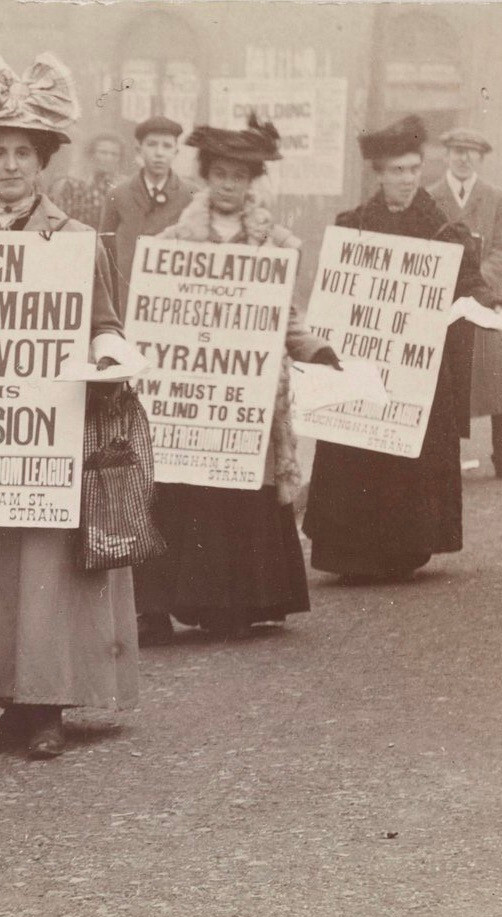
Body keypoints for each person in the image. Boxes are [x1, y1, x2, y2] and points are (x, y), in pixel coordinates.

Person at [0, 48, 144, 759]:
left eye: (23, 152)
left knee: (45, 568)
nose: (10, 165)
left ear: (43, 161)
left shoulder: (78, 243)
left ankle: (46, 703)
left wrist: (110, 354)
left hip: (51, 430)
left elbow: (104, 321)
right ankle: (2, 700)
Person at [131, 117, 341, 646]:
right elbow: (152, 313)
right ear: (205, 177)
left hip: (247, 401)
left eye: (239, 176)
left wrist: (314, 348)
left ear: (252, 183)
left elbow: (287, 319)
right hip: (190, 399)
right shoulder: (172, 241)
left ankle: (232, 605)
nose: (228, 184)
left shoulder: (276, 245)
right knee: (181, 496)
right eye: (219, 174)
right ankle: (162, 604)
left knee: (237, 499)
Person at [304, 116, 494, 581]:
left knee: (409, 456)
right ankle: (352, 550)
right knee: (359, 453)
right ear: (379, 174)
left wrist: (464, 306)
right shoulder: (352, 225)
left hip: (419, 369)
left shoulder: (445, 231)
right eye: (396, 171)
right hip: (366, 364)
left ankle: (407, 546)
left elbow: (473, 288)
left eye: (413, 169)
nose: (406, 179)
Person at [429, 127, 502, 474]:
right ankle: (443, 460)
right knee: (442, 380)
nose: (463, 158)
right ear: (446, 155)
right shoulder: (430, 197)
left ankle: (500, 454)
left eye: (470, 152)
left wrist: (480, 283)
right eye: (457, 150)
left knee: (497, 376)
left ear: (480, 159)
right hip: (443, 300)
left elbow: (501, 248)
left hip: (486, 297)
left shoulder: (495, 198)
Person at [100, 115, 194, 309]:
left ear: (176, 151)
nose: (159, 153)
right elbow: (104, 250)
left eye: (167, 146)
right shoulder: (118, 195)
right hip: (127, 294)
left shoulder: (190, 196)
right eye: (152, 145)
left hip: (171, 295)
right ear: (138, 150)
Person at [64, 133, 125, 227]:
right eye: (103, 152)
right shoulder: (74, 184)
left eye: (114, 154)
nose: (109, 158)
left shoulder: (124, 186)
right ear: (91, 154)